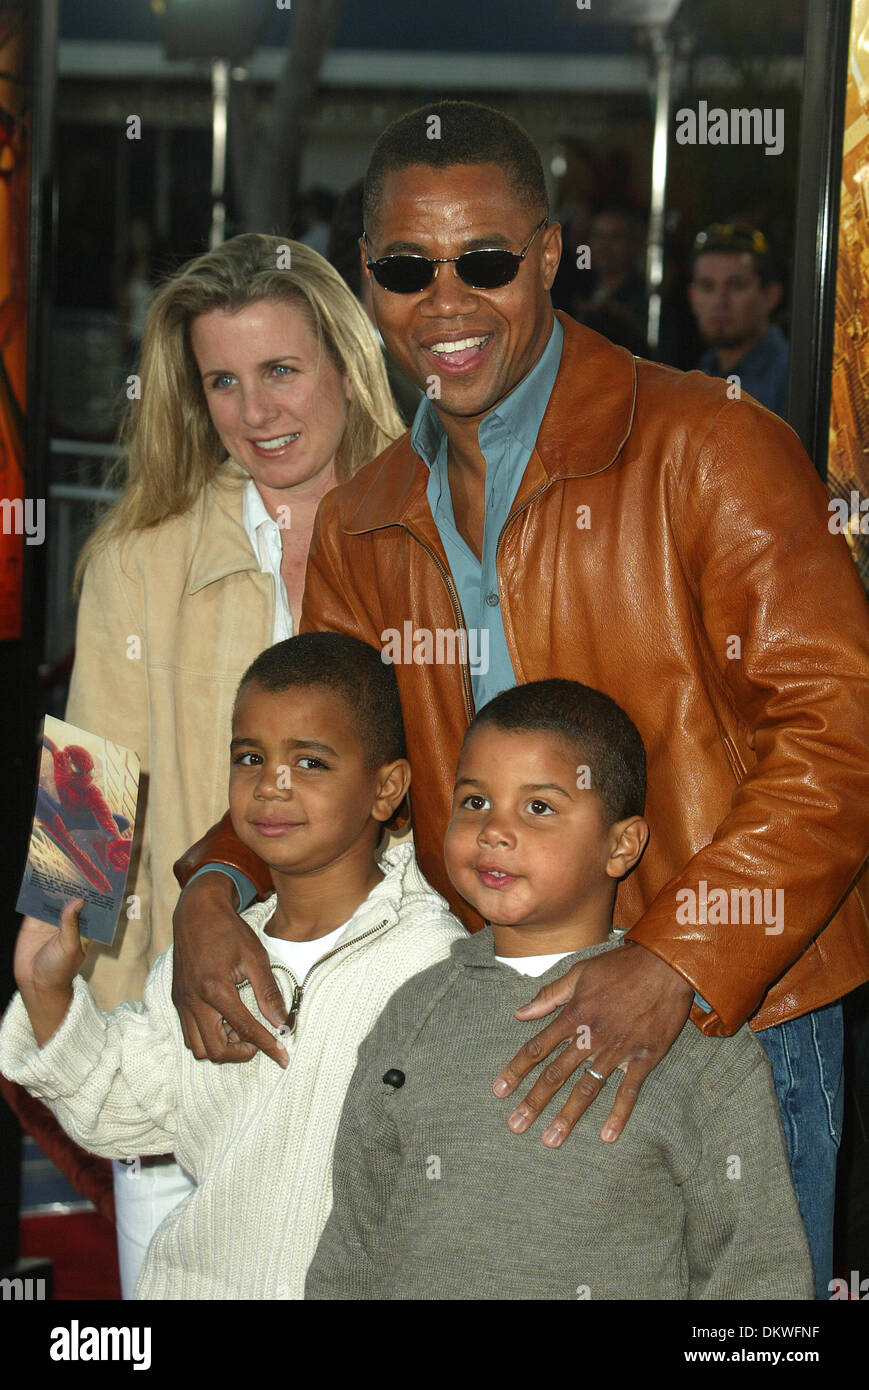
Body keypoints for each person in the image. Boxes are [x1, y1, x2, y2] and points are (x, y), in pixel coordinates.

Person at [169, 101, 869, 1300]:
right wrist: (213, 883)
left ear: (547, 256)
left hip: (732, 1011)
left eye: (483, 261)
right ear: (366, 282)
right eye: (404, 268)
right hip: (496, 1001)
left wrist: (675, 960)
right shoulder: (367, 511)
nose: (444, 304)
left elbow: (840, 731)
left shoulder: (705, 444)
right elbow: (330, 745)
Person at [7, 231, 405, 1297]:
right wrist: (66, 997)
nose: (255, 411)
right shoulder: (139, 561)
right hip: (190, 1052)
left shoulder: (432, 540)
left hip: (383, 1049)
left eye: (280, 370)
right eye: (222, 381)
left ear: (345, 362)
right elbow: (84, 827)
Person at [306, 679, 814, 1301]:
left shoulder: (696, 1042)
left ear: (621, 845)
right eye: (473, 802)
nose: (493, 830)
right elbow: (354, 1237)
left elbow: (756, 1269)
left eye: (539, 807)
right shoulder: (413, 1011)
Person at [0, 634, 464, 1299]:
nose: (271, 785)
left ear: (387, 788)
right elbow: (121, 1110)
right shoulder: (202, 960)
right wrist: (48, 991)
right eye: (250, 757)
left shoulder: (432, 961)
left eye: (309, 762)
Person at [688, 222, 789, 417]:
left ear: (770, 296)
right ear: (693, 298)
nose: (720, 301)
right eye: (708, 287)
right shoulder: (698, 375)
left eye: (736, 286)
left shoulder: (790, 378)